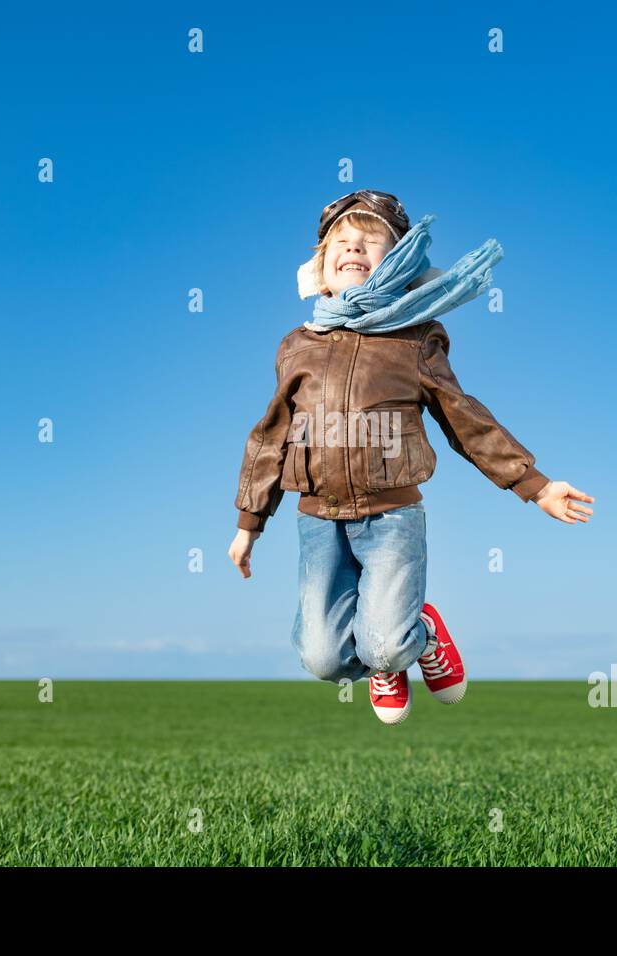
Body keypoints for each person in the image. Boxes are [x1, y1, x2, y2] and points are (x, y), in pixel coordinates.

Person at [228, 189, 594, 724]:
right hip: (318, 521)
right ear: (321, 270)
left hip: (391, 516)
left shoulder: (415, 339)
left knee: (384, 646)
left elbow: (463, 418)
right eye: (342, 243)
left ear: (397, 264)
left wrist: (534, 485)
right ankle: (400, 636)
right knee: (322, 657)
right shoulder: (297, 345)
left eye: (370, 242)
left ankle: (405, 640)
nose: (354, 247)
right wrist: (249, 522)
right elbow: (271, 436)